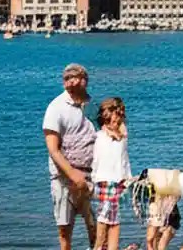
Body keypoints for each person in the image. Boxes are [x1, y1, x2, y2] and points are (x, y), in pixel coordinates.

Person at [43, 63, 97, 250]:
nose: (70, 81)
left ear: (84, 80)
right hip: (64, 179)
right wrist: (73, 174)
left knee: (96, 227)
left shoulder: (93, 106)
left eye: (74, 77)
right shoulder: (56, 107)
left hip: (92, 177)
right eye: (66, 78)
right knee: (65, 230)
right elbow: (53, 148)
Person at [91, 97, 131, 250]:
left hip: (118, 182)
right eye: (114, 118)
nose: (117, 121)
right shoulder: (99, 136)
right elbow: (95, 161)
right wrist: (93, 180)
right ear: (106, 118)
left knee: (114, 221)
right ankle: (98, 247)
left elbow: (125, 160)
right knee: (103, 219)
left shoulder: (122, 138)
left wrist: (128, 179)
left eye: (119, 118)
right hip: (103, 181)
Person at [141, 165, 183, 250]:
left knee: (173, 223)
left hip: (172, 190)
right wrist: (150, 242)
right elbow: (155, 220)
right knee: (155, 229)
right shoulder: (169, 185)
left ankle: (161, 246)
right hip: (156, 188)